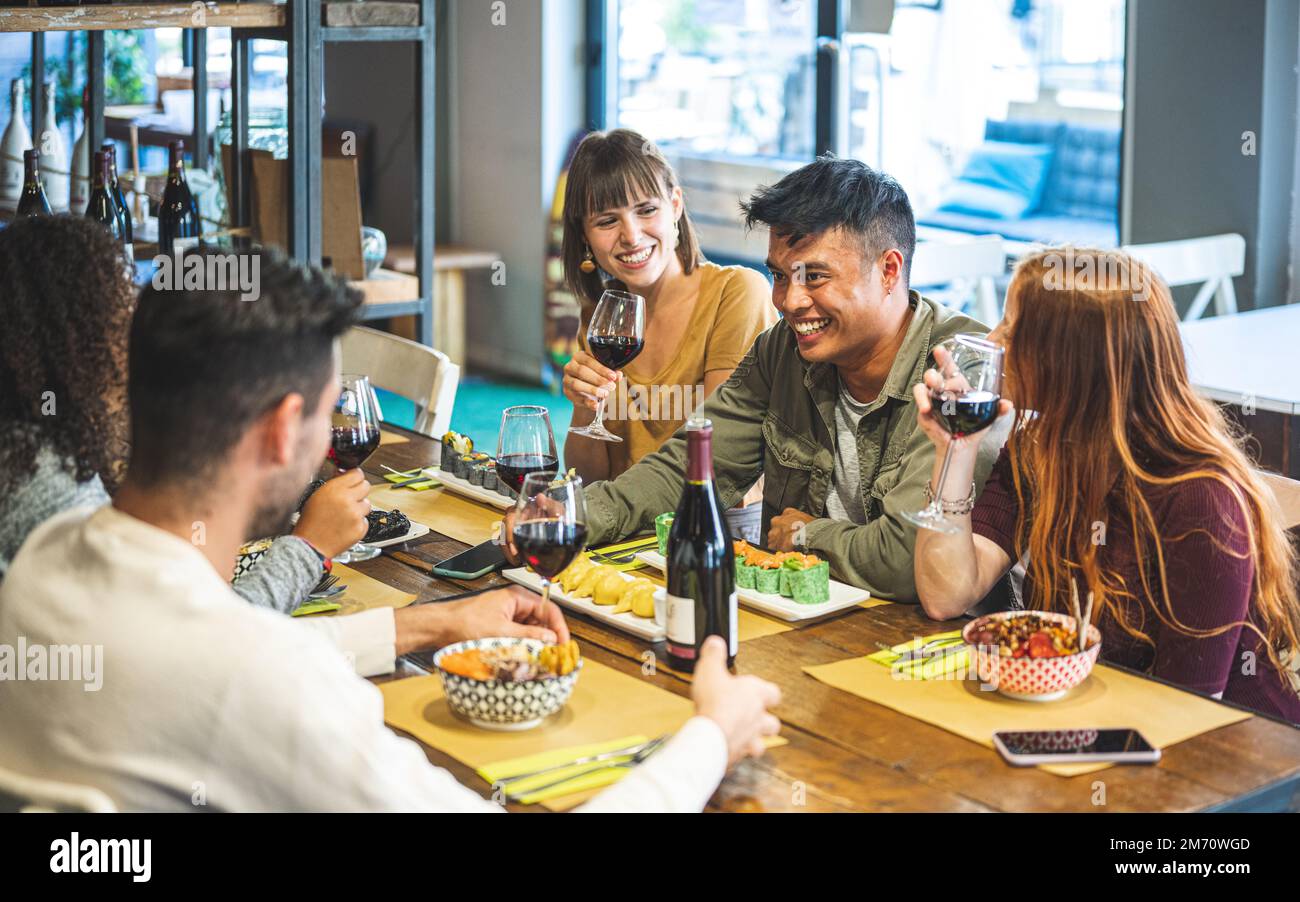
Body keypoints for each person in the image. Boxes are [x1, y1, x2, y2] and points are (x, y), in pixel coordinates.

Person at [0, 250, 782, 811]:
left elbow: (203, 656)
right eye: (331, 406)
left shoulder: (43, 565)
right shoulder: (255, 680)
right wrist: (711, 735)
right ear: (282, 432)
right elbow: (246, 672)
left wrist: (421, 625)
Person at [0, 217, 506, 679]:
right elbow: (224, 655)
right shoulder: (50, 497)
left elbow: (213, 645)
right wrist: (307, 550)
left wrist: (422, 626)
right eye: (120, 313)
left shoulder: (43, 540)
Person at [512, 157, 1004, 603]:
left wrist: (809, 537)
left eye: (814, 277)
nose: (788, 302)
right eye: (779, 276)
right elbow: (687, 466)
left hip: (913, 653)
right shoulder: (783, 349)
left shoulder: (961, 376)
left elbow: (906, 558)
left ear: (889, 270)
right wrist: (566, 514)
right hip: (789, 623)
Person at [913, 248, 1300, 723]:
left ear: (1072, 362)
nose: (992, 340)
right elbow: (946, 595)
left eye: (1012, 331)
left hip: (1239, 767)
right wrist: (955, 449)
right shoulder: (1042, 446)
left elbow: (1182, 714)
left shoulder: (1201, 499)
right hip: (1091, 720)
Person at [560, 129, 775, 484]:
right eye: (607, 221)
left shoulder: (736, 293)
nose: (631, 236)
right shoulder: (602, 317)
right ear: (584, 234)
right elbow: (587, 479)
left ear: (675, 205)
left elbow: (712, 457)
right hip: (626, 531)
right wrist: (584, 410)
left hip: (714, 525)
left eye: (646, 210)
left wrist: (614, 511)